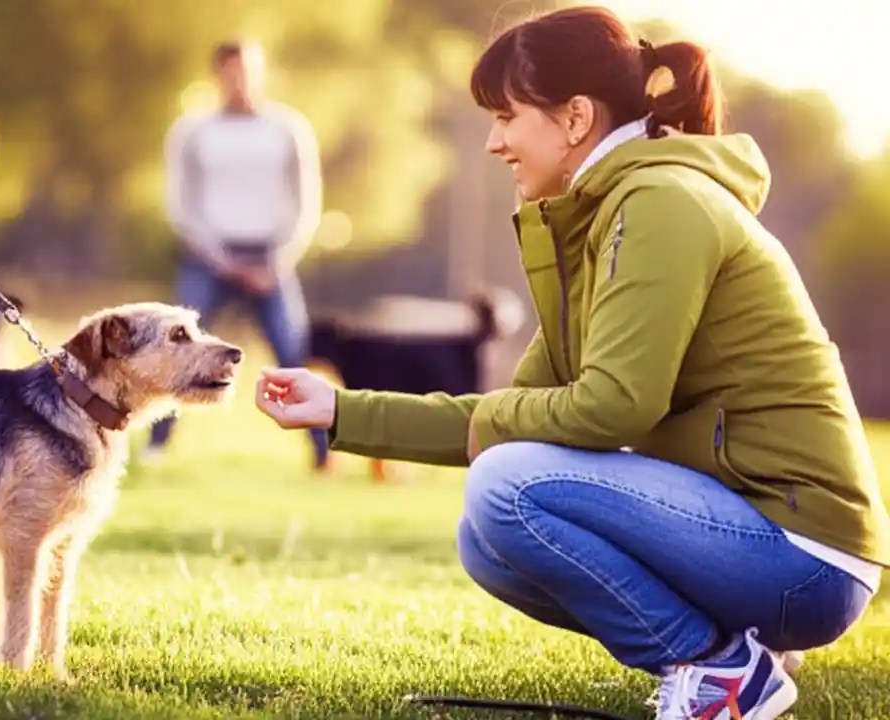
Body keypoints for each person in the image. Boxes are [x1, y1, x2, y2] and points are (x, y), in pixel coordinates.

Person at [254, 6, 888, 718]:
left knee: (507, 488)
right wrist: (344, 411)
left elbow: (615, 406)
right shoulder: (600, 215)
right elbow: (516, 412)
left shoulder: (659, 203)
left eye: (507, 115)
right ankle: (735, 659)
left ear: (575, 117)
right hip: (750, 533)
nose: (495, 142)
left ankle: (722, 672)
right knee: (486, 540)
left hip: (802, 550)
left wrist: (496, 439)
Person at [146, 39, 329, 472]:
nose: (239, 81)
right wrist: (219, 259)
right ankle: (156, 445)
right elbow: (180, 204)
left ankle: (323, 453)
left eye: (246, 72)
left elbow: (307, 203)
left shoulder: (288, 128)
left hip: (270, 258)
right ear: (217, 76)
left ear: (260, 73)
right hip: (209, 258)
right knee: (176, 352)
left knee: (293, 352)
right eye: (230, 73)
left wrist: (279, 259)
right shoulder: (192, 131)